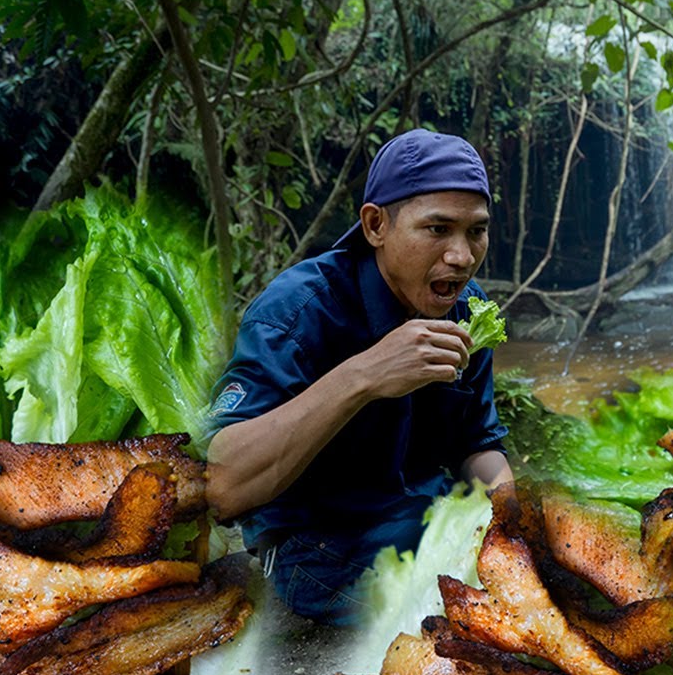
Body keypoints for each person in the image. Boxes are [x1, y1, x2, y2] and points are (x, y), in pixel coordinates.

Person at [204, 128, 512, 626]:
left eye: (476, 231)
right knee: (481, 618)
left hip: (424, 514)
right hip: (316, 544)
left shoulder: (466, 305)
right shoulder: (297, 311)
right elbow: (219, 485)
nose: (461, 255)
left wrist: (513, 521)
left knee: (538, 567)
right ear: (376, 225)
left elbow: (478, 444)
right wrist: (364, 375)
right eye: (438, 229)